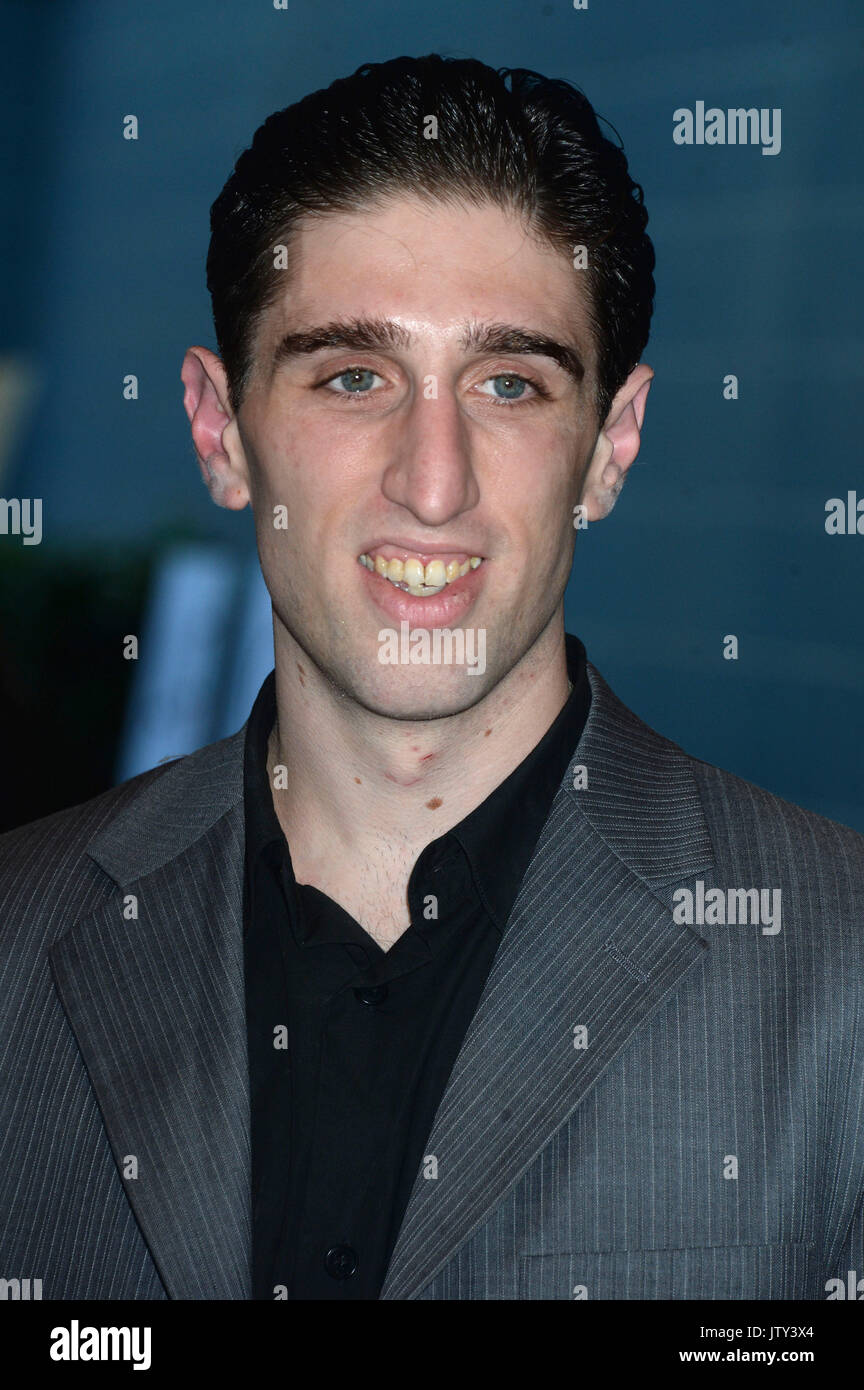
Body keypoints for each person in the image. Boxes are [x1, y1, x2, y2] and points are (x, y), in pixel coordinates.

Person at [1, 55, 861, 1302]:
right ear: (220, 432)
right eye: (354, 377)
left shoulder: (834, 981)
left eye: (509, 384)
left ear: (610, 448)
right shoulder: (17, 946)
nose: (435, 480)